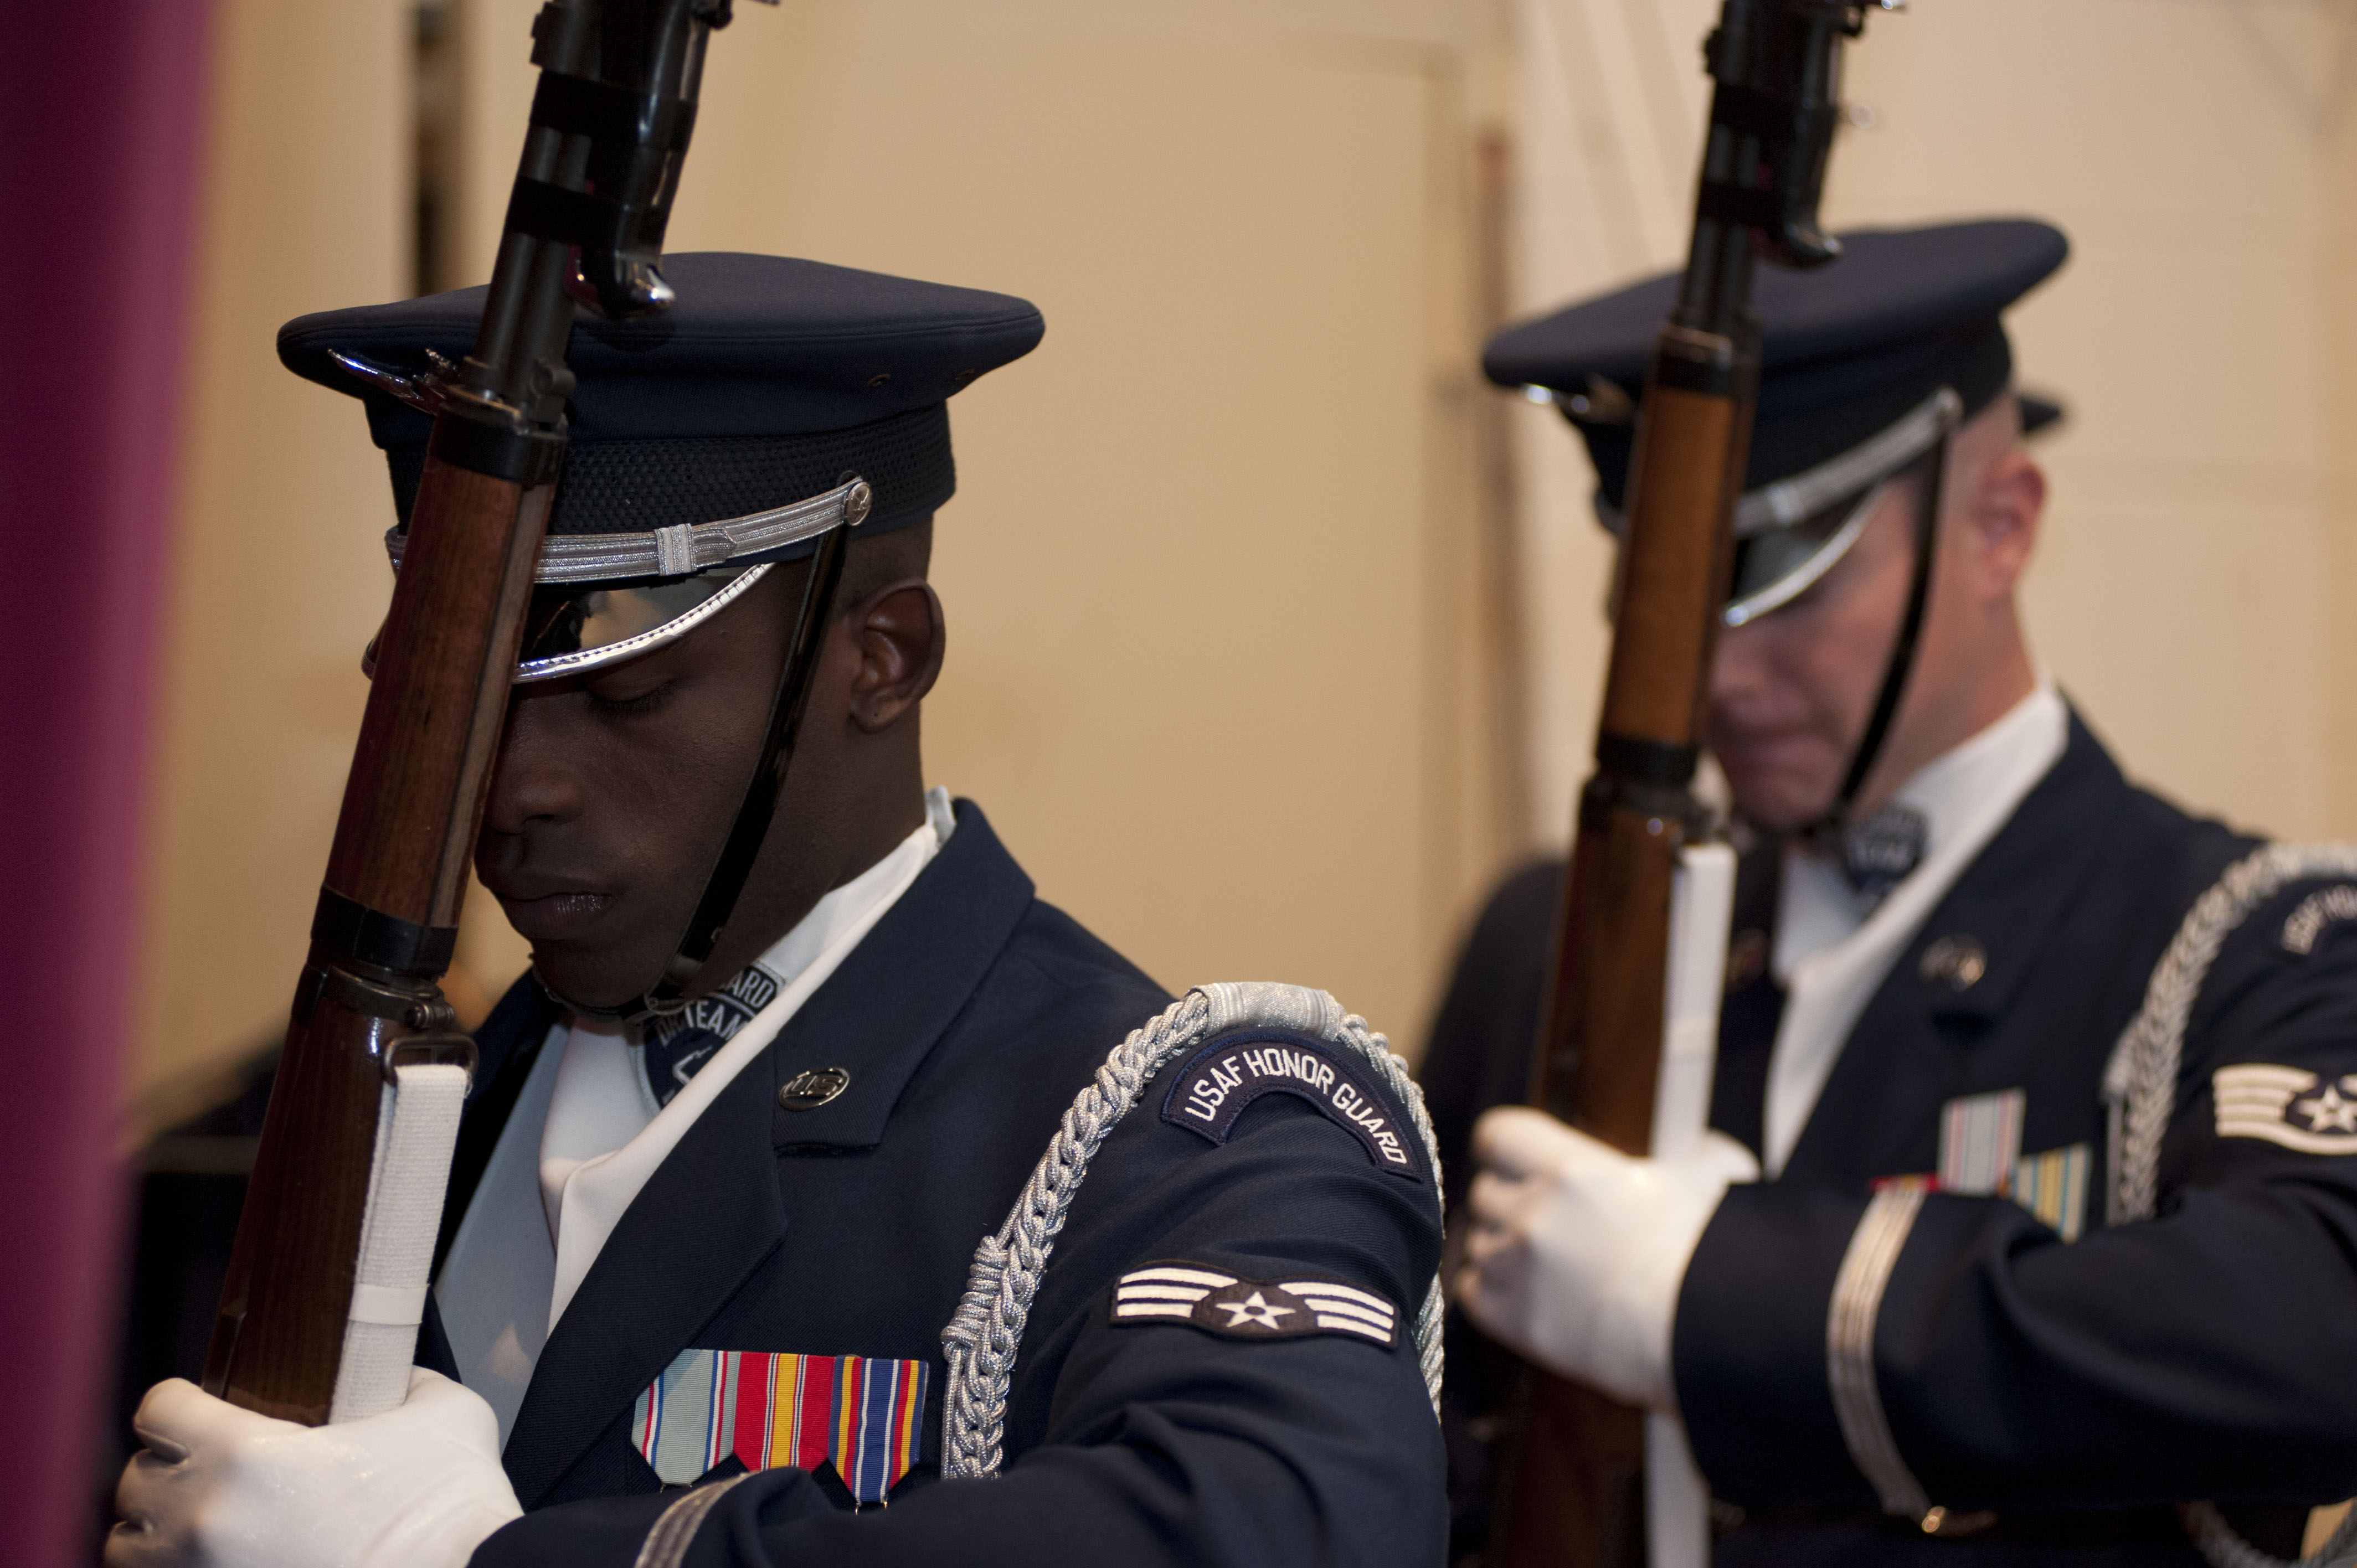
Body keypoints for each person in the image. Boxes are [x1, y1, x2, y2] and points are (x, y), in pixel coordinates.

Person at [109, 253, 1447, 1568]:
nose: (513, 786)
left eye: (625, 696)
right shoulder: (400, 1100)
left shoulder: (1174, 1129)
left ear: (884, 659)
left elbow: (1290, 1528)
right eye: (464, 702)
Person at [1424, 220, 2357, 1565]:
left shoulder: (2254, 947)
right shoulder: (1547, 940)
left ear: (1998, 526)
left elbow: (2316, 1330)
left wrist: (1707, 1296)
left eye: (1787, 580)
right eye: (1678, 599)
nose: (1718, 678)